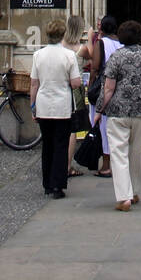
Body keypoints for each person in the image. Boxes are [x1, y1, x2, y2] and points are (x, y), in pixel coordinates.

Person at [95, 20, 141, 211]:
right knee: (135, 152)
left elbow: (108, 88)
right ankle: (134, 192)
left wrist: (99, 110)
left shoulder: (116, 56)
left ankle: (124, 197)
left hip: (118, 112)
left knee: (118, 153)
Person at [30, 18, 83, 198]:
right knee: (61, 145)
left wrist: (33, 107)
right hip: (62, 106)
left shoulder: (38, 55)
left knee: (47, 146)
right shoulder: (69, 55)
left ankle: (46, 184)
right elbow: (76, 82)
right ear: (62, 34)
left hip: (43, 105)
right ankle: (57, 186)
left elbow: (34, 84)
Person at [88, 15, 120, 178]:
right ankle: (119, 164)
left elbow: (94, 68)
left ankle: (106, 165)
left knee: (103, 127)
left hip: (104, 90)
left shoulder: (101, 43)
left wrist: (90, 86)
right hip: (119, 92)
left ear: (102, 29)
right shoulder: (121, 44)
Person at [62, 14, 92, 177]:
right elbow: (94, 58)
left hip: (60, 88)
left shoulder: (59, 46)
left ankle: (59, 164)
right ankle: (67, 166)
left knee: (60, 128)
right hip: (75, 89)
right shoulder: (81, 49)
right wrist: (91, 37)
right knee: (72, 129)